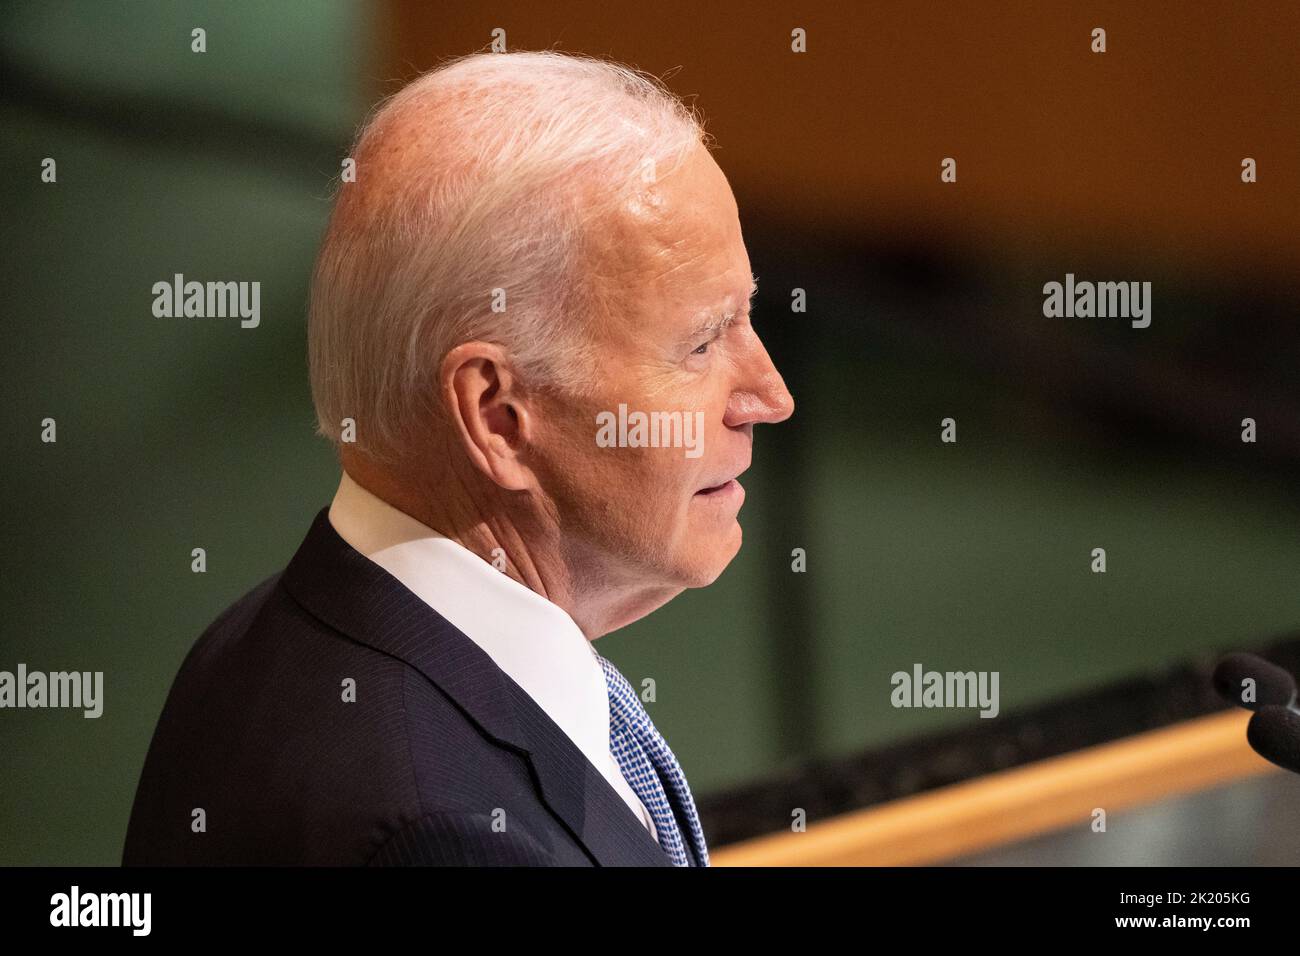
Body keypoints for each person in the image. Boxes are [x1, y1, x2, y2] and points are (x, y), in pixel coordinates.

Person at [123, 50, 793, 866]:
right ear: (499, 417)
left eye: (745, 316)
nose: (769, 395)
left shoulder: (249, 644)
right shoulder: (447, 838)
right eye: (700, 343)